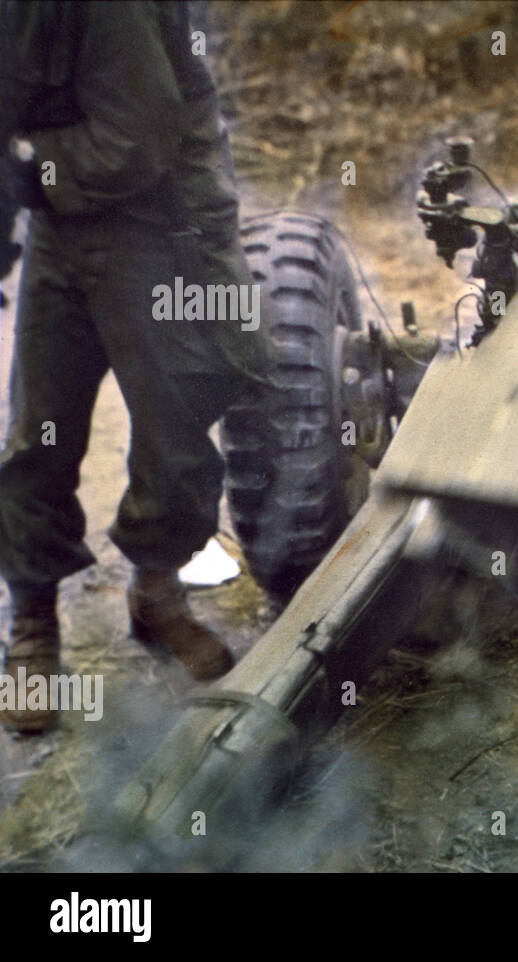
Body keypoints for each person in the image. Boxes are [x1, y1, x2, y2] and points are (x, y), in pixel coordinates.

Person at [0, 1, 268, 733]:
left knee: (174, 428)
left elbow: (137, 140)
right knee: (37, 431)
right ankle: (32, 622)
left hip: (152, 225)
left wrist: (30, 163)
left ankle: (158, 592)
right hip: (61, 228)